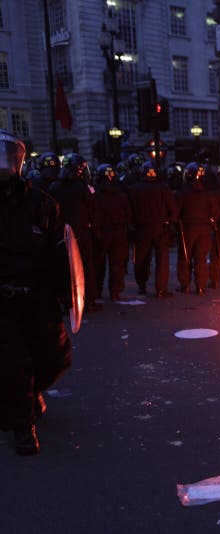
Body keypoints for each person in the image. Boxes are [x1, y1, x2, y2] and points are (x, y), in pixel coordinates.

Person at [0, 129, 73, 455]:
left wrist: (66, 293)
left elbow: (59, 250)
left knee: (55, 356)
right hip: (3, 298)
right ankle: (23, 427)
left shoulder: (40, 202)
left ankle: (31, 394)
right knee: (14, 363)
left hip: (38, 295)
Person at [48, 153, 100, 311]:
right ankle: (88, 300)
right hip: (81, 232)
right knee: (85, 266)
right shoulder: (81, 187)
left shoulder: (54, 186)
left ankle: (66, 300)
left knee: (64, 267)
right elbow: (92, 210)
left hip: (61, 233)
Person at [127, 160, 178, 297]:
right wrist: (171, 224)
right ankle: (161, 288)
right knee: (162, 259)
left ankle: (142, 285)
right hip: (161, 228)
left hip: (141, 228)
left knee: (142, 258)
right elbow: (173, 209)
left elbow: (129, 211)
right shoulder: (164, 188)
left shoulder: (133, 189)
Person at [176, 163, 218, 294]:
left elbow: (176, 211)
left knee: (185, 257)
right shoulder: (207, 192)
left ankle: (185, 285)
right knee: (201, 258)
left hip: (188, 228)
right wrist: (210, 222)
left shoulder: (182, 192)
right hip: (204, 229)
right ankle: (200, 286)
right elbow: (215, 211)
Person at [93, 164, 130, 301]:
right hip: (119, 232)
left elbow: (94, 215)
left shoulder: (96, 195)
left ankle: (97, 290)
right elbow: (128, 214)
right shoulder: (122, 195)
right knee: (117, 264)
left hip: (103, 232)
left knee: (99, 263)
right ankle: (115, 291)